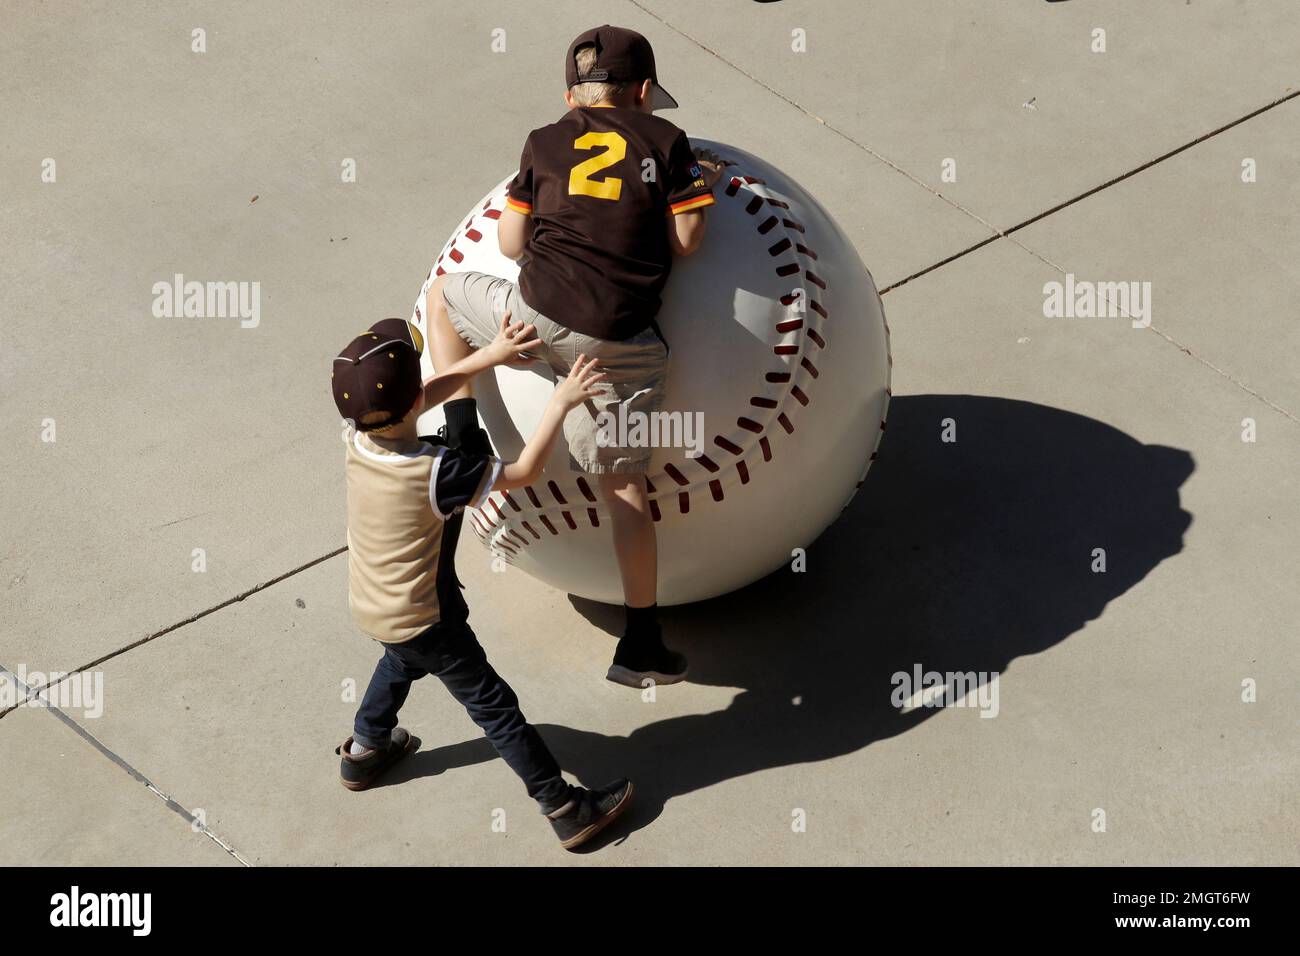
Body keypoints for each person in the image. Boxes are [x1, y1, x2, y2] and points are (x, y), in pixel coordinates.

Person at [426, 24, 724, 687]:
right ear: (644, 92)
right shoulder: (666, 142)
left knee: (445, 296)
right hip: (616, 352)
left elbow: (508, 245)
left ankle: (462, 434)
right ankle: (641, 645)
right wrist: (698, 185)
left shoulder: (544, 140)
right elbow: (688, 241)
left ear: (571, 94)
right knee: (626, 491)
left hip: (535, 324)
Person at [331, 314, 632, 849]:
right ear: (410, 401)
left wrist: (489, 355)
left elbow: (418, 398)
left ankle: (365, 750)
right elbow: (523, 473)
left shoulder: (357, 437)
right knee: (496, 709)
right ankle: (563, 807)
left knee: (399, 660)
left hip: (373, 603)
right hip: (429, 617)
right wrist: (559, 404)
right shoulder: (437, 470)